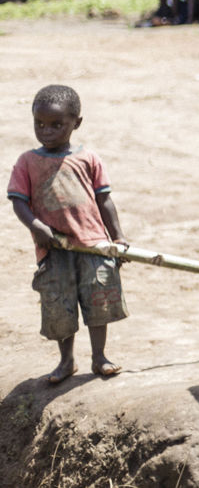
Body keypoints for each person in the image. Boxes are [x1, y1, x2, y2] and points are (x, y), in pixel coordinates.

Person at [8, 85, 129, 384]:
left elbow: (104, 200)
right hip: (54, 248)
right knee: (59, 306)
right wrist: (36, 226)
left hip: (93, 245)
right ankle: (66, 361)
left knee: (98, 301)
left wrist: (118, 238)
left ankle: (99, 357)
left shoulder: (88, 158)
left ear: (77, 123)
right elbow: (18, 201)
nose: (46, 131)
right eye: (39, 124)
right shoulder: (27, 162)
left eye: (56, 125)